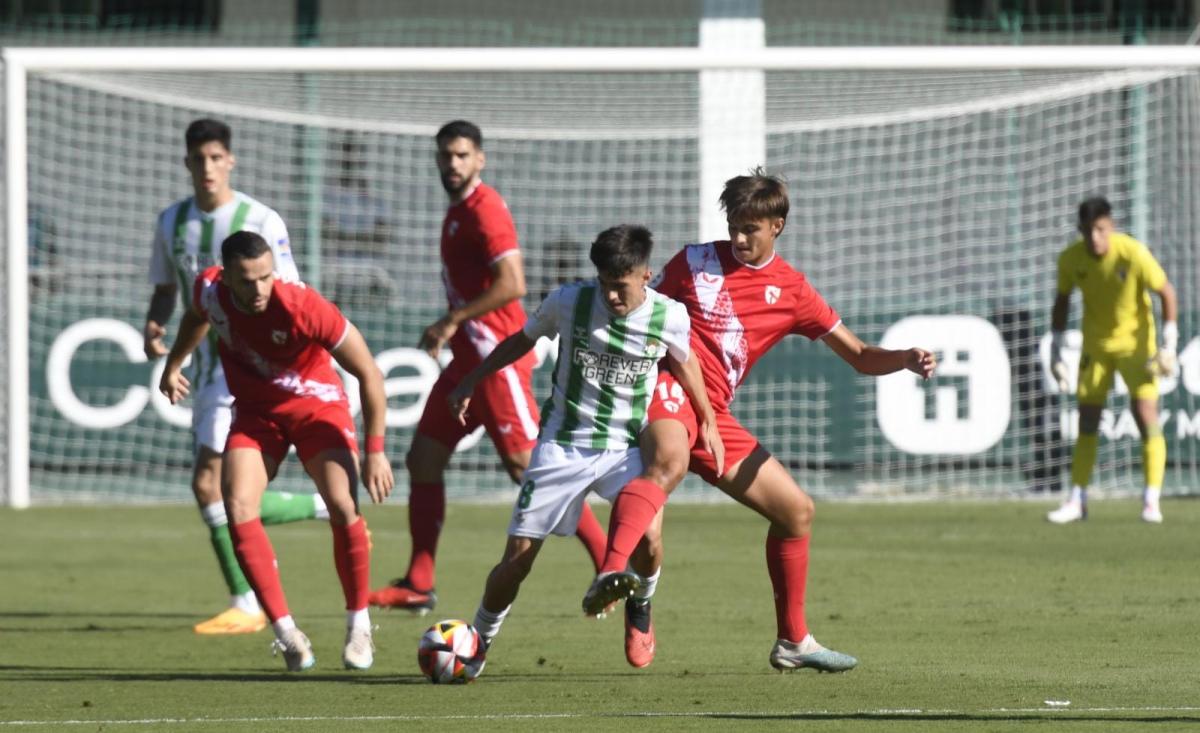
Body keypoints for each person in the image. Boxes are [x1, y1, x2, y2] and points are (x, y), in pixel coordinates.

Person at [581, 168, 937, 673]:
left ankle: (792, 640)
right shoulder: (694, 262)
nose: (739, 237)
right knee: (666, 469)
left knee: (796, 513)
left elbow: (858, 354)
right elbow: (638, 312)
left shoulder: (792, 290)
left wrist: (902, 357)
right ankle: (613, 576)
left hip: (714, 415)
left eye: (751, 228)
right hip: (664, 391)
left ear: (778, 227)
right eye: (734, 225)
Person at [449, 225, 721, 670]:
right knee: (516, 562)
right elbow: (522, 340)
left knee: (650, 539)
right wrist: (471, 381)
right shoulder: (568, 301)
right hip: (562, 445)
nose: (612, 296)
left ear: (646, 276)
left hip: (624, 448)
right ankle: (478, 641)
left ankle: (641, 606)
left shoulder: (668, 315)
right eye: (605, 285)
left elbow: (685, 361)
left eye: (622, 287)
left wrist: (707, 418)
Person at [369, 120, 606, 613]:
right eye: (445, 155)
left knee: (527, 467)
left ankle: (610, 565)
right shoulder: (459, 211)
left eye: (461, 155)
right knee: (424, 459)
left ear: (480, 159)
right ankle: (419, 582)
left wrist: (451, 319)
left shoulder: (486, 209)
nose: (452, 164)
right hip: (467, 364)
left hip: (496, 360)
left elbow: (513, 285)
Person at [160, 231, 394, 672]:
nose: (260, 289)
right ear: (226, 277)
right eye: (248, 280)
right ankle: (287, 634)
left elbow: (370, 374)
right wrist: (175, 364)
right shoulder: (209, 292)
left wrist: (376, 450)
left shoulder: (304, 307)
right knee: (238, 505)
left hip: (317, 407)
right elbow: (195, 318)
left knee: (342, 504)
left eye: (266, 276)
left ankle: (359, 625)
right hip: (257, 414)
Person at [144, 118, 327, 636]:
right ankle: (325, 505)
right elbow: (167, 289)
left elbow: (290, 296)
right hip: (205, 371)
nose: (207, 168)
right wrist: (155, 326)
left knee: (209, 483)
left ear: (230, 160)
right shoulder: (170, 223)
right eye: (198, 159)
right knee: (215, 490)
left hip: (247, 367)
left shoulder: (260, 219)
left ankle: (246, 602)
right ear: (187, 163)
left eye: (216, 158)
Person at [1047, 196, 1178, 524]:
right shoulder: (1071, 259)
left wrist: (1169, 343)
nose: (1095, 237)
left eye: (1101, 229)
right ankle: (1077, 499)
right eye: (1088, 231)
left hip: (1136, 346)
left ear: (1111, 226)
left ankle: (1151, 499)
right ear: (1081, 230)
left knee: (1145, 413)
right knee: (1087, 418)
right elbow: (1062, 301)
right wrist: (1056, 348)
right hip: (1096, 347)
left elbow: (1167, 293)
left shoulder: (1132, 253)